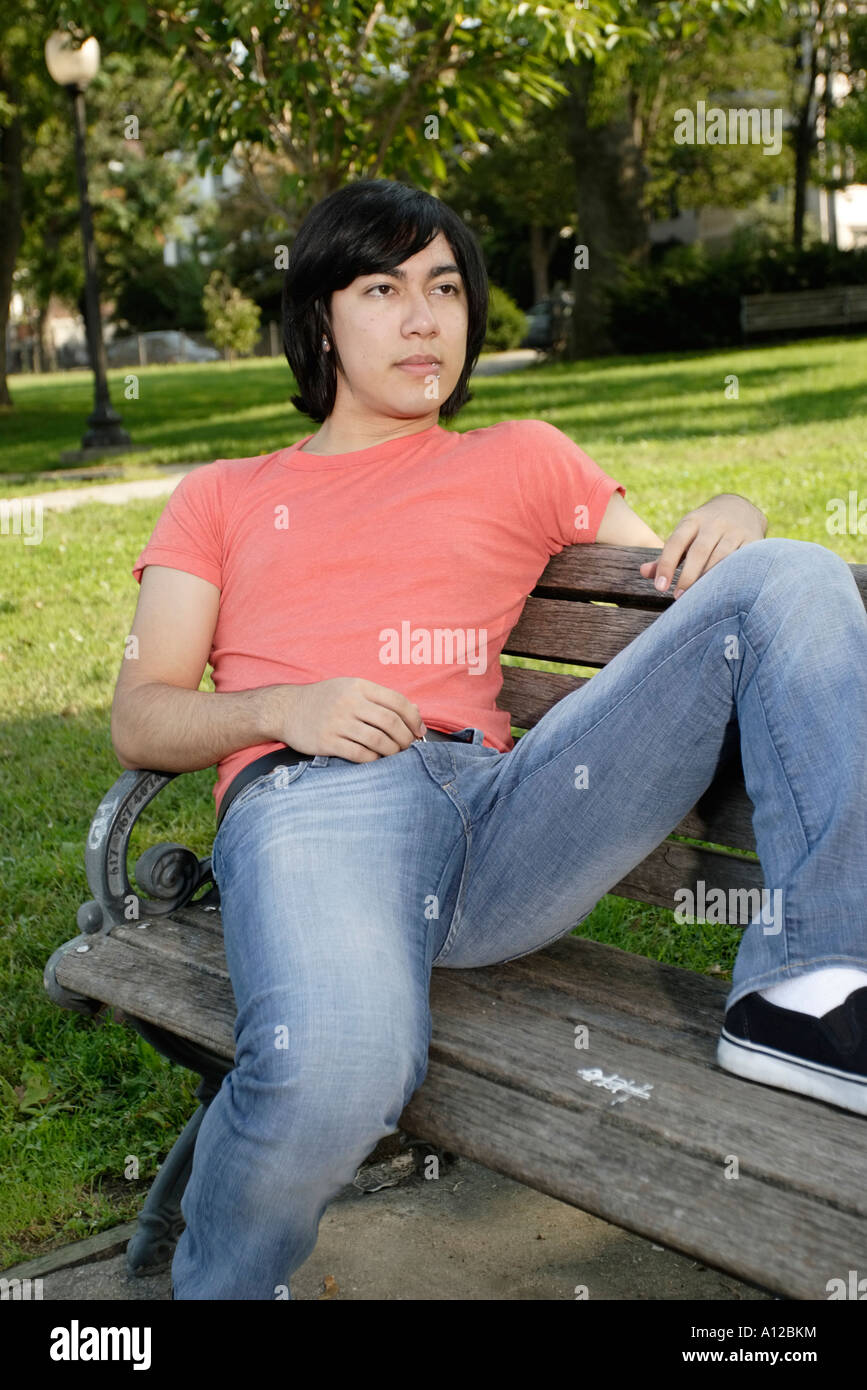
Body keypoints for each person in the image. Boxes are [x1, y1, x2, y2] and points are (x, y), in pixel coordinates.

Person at [111, 179, 867, 1301]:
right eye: (383, 288)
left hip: (506, 818)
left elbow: (698, 617)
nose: (425, 318)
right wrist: (283, 708)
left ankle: (803, 991)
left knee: (795, 573)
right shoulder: (222, 496)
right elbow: (143, 714)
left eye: (446, 288)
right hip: (323, 799)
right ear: (319, 319)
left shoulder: (522, 456)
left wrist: (742, 523)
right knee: (335, 1070)